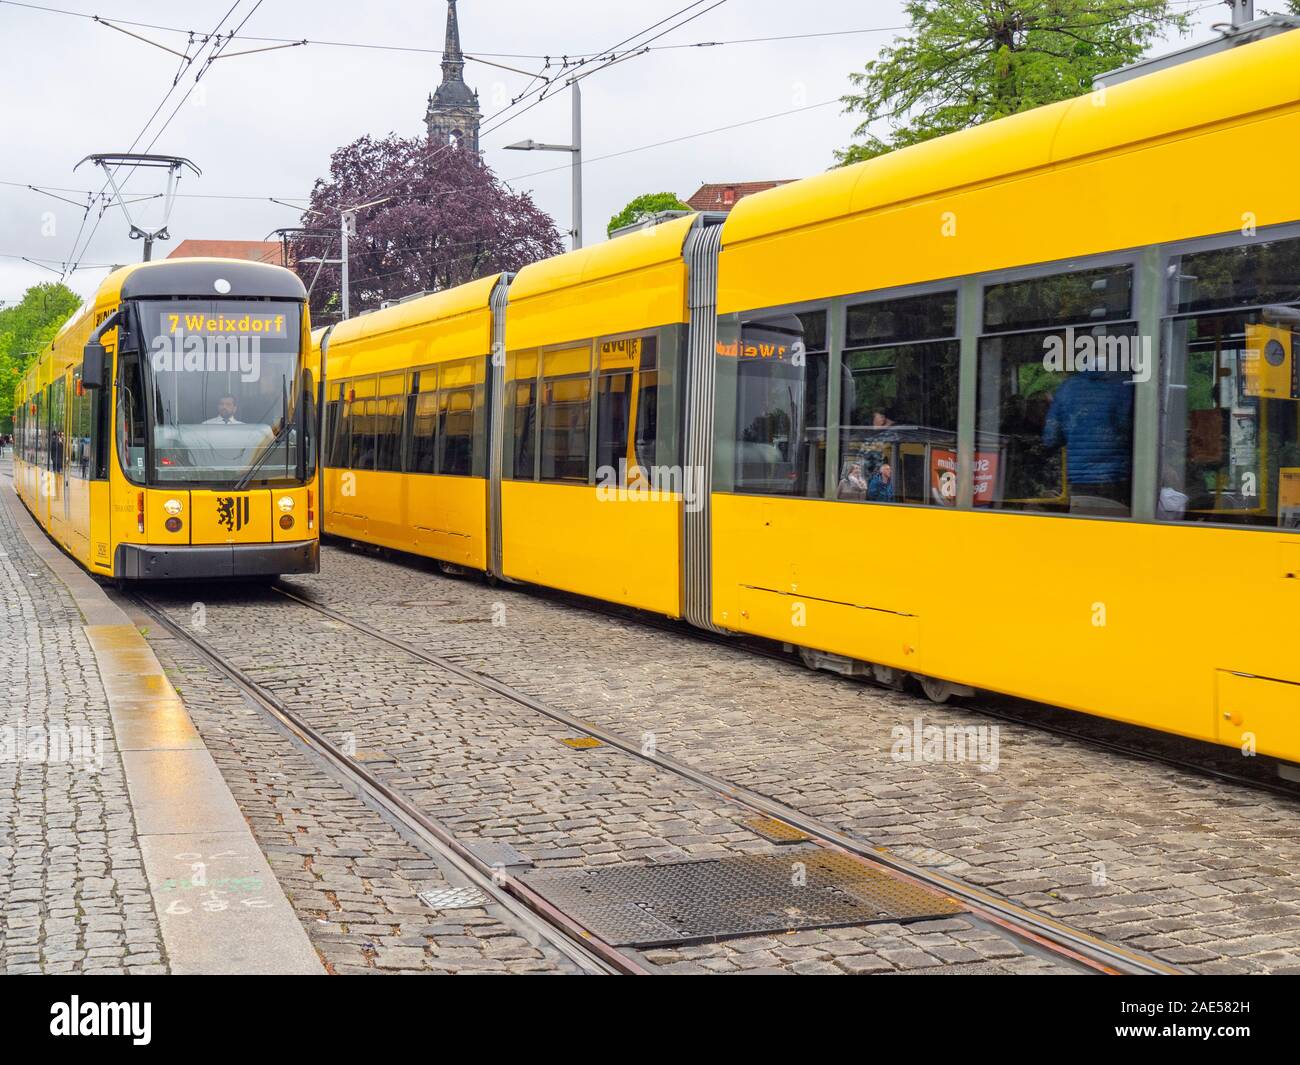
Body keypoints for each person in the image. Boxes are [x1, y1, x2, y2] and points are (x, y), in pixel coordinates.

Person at [1041, 369, 1133, 513]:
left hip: (1079, 481)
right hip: (1118, 479)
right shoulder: (1126, 384)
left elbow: (1050, 438)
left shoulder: (1067, 388)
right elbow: (1130, 429)